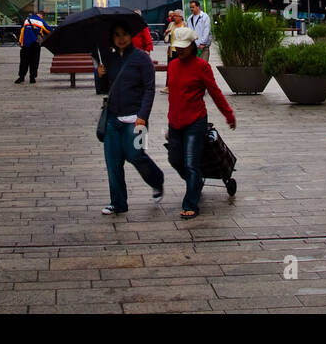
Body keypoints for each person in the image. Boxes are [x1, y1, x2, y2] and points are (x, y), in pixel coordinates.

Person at [165, 26, 236, 219]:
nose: (180, 50)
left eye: (184, 46)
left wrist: (228, 114)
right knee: (175, 159)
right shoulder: (173, 65)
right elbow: (174, 96)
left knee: (191, 163)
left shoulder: (202, 67)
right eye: (178, 46)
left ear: (193, 46)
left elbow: (215, 92)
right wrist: (170, 123)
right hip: (175, 121)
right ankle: (195, 182)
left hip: (195, 121)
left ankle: (190, 204)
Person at [98, 21, 165, 215]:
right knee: (113, 162)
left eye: (124, 34)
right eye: (117, 35)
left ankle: (156, 180)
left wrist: (143, 115)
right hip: (113, 120)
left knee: (136, 155)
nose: (121, 39)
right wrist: (100, 75)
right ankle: (118, 203)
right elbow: (104, 89)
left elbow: (150, 89)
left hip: (137, 120)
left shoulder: (141, 58)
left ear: (131, 36)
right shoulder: (109, 59)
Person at [15, 11, 49, 84]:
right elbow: (49, 30)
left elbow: (21, 31)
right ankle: (32, 78)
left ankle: (21, 77)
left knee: (24, 61)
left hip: (25, 44)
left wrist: (21, 42)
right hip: (35, 44)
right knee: (34, 61)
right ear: (42, 16)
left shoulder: (26, 20)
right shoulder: (41, 21)